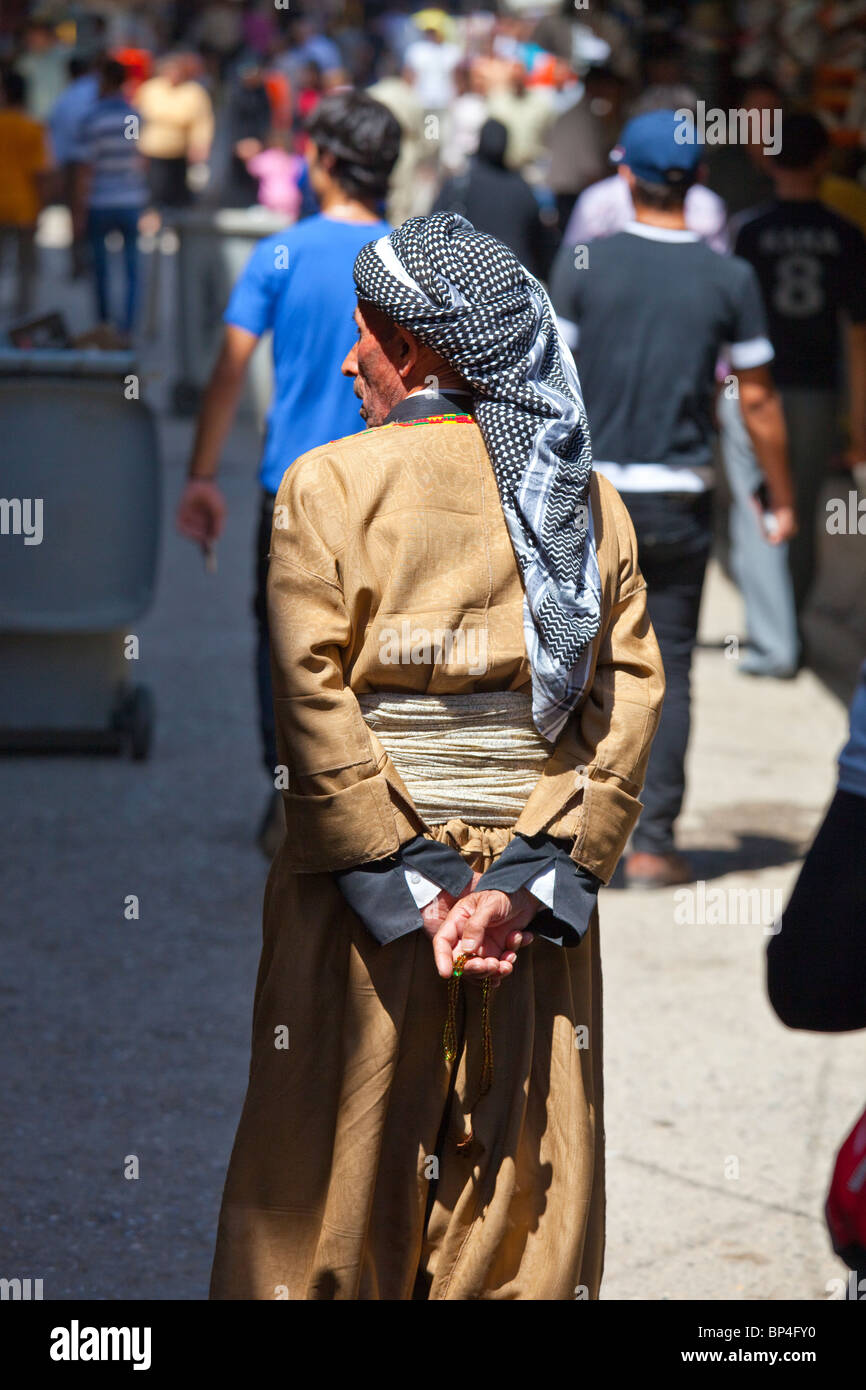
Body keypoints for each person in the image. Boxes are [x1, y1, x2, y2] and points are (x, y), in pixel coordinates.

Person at [209, 212, 665, 1301]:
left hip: (361, 908)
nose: (343, 359)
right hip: (525, 913)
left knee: (329, 1188)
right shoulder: (586, 503)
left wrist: (409, 884)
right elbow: (625, 699)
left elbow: (308, 694)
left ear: (410, 350)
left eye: (360, 334)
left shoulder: (323, 485)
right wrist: (516, 885)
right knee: (514, 1211)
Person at [550, 110, 796, 888]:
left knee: (576, 664)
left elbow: (549, 384)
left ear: (627, 176)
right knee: (672, 669)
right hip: (682, 500)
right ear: (694, 187)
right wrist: (778, 495)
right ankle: (652, 842)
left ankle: (571, 838)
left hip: (594, 497)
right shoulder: (728, 277)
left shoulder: (586, 262)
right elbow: (757, 400)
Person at [175, 92, 400, 854]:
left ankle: (292, 801)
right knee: (373, 642)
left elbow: (229, 371)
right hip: (387, 485)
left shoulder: (281, 252)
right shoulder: (407, 254)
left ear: (325, 161)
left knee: (284, 646)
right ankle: (367, 803)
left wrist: (202, 475)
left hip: (293, 492)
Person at [732, 113, 866, 628]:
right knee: (804, 511)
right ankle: (792, 624)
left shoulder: (748, 231)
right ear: (823, 161)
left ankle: (771, 634)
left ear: (769, 159)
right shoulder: (848, 235)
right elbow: (857, 339)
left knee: (759, 505)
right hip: (815, 389)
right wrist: (857, 420)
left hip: (753, 386)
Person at [72, 60, 148, 339]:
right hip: (129, 199)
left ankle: (104, 325)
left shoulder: (92, 118)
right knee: (131, 268)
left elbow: (85, 169)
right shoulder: (133, 117)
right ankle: (126, 327)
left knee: (101, 268)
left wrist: (78, 210)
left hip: (100, 201)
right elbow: (137, 158)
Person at [433, 118, 546, 276]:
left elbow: (433, 229)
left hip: (467, 281)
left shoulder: (459, 185)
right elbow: (538, 242)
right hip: (513, 282)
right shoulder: (523, 189)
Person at [135, 52, 214, 209]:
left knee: (178, 195)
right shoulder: (149, 89)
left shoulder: (194, 92)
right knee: (153, 193)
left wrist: (201, 145)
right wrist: (130, 143)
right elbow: (132, 118)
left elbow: (202, 122)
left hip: (179, 151)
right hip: (152, 150)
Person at [0, 71, 49, 319]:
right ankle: (23, 311)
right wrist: (41, 206)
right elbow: (39, 173)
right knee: (25, 266)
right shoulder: (33, 127)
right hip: (24, 205)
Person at [47, 56, 99, 278]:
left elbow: (56, 137)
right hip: (96, 163)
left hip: (76, 163)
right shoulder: (101, 93)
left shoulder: (65, 100)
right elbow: (132, 121)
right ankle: (93, 262)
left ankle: (81, 262)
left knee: (78, 216)